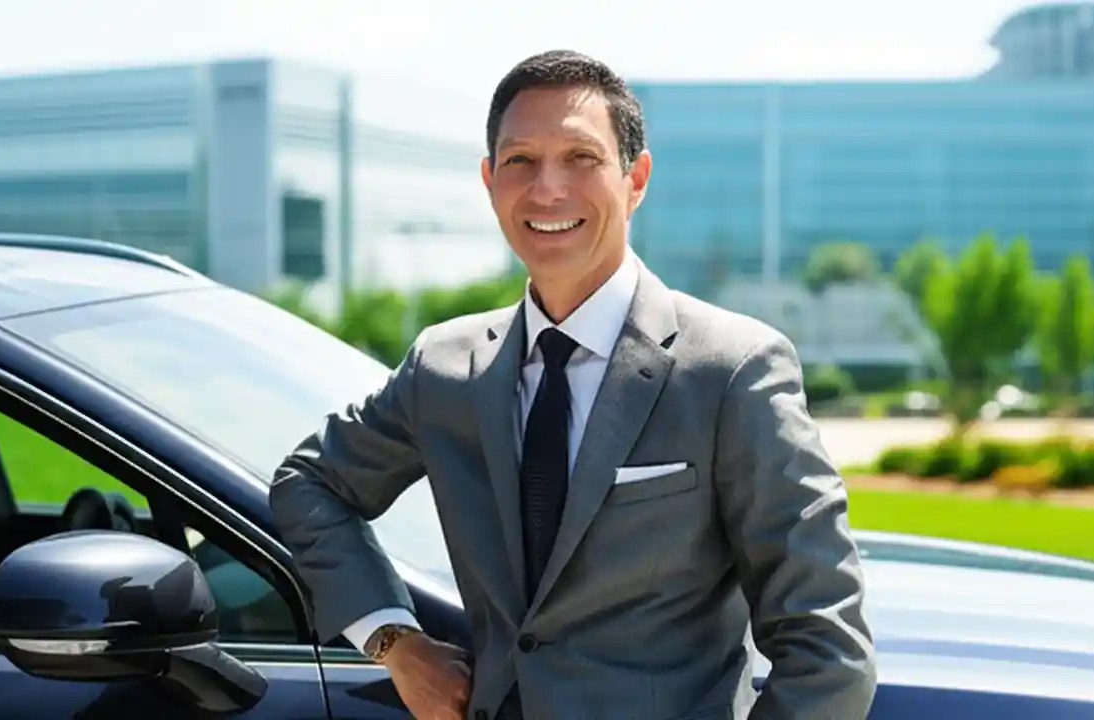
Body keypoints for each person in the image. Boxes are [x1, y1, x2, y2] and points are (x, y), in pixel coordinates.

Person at [271, 49, 877, 720]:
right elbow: (309, 483)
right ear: (489, 179)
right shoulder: (445, 368)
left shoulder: (731, 371)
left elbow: (827, 650)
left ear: (635, 178)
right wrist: (394, 641)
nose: (547, 190)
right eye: (520, 161)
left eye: (581, 159)